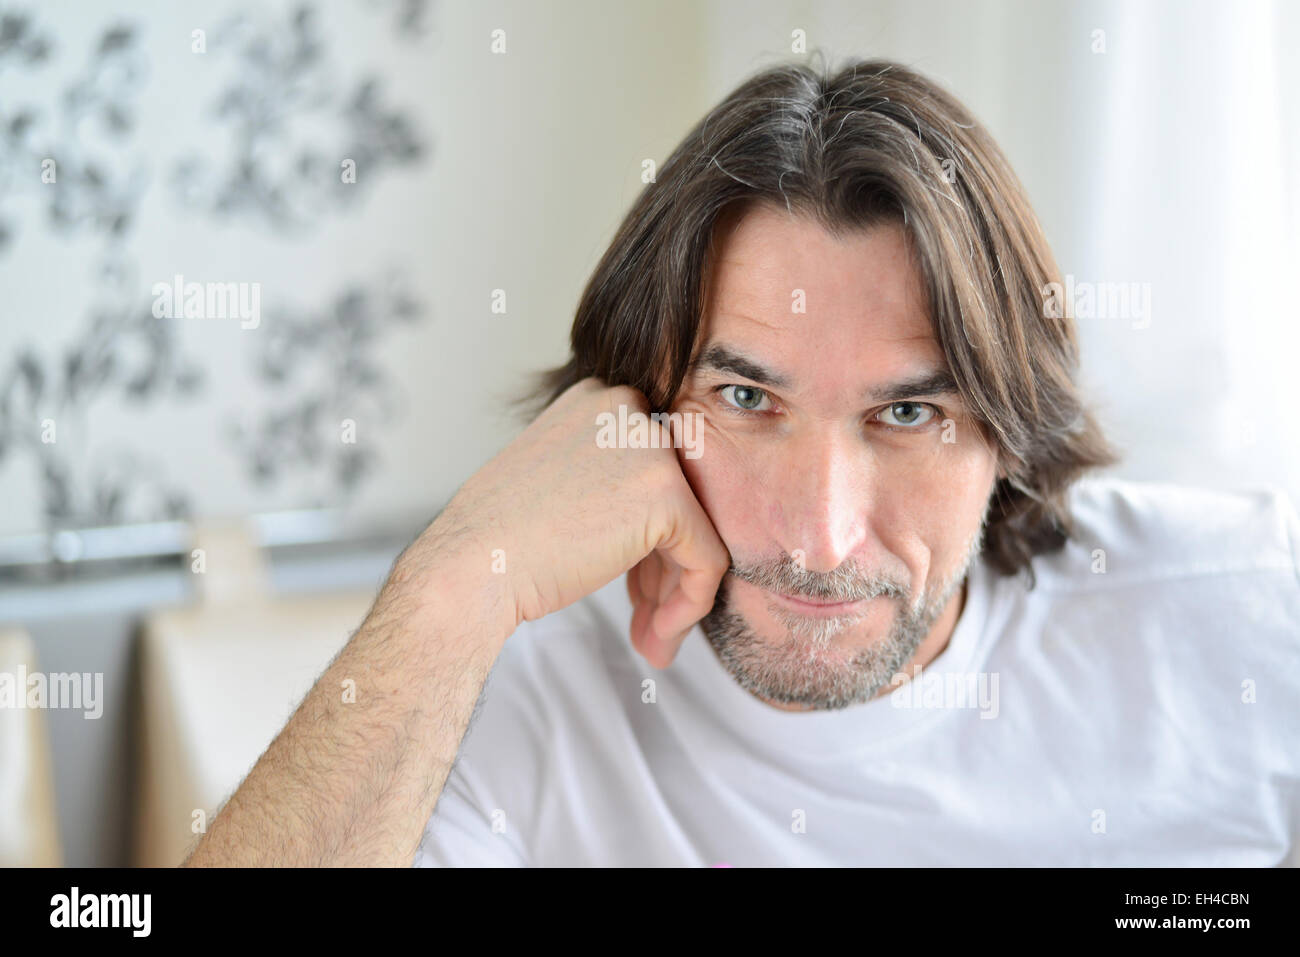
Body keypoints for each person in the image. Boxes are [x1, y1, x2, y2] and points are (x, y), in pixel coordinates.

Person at [183, 57, 1300, 868]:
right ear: (630, 406)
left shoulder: (1245, 608)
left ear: (1009, 433)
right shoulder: (513, 702)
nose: (817, 537)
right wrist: (448, 589)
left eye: (908, 413)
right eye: (746, 398)